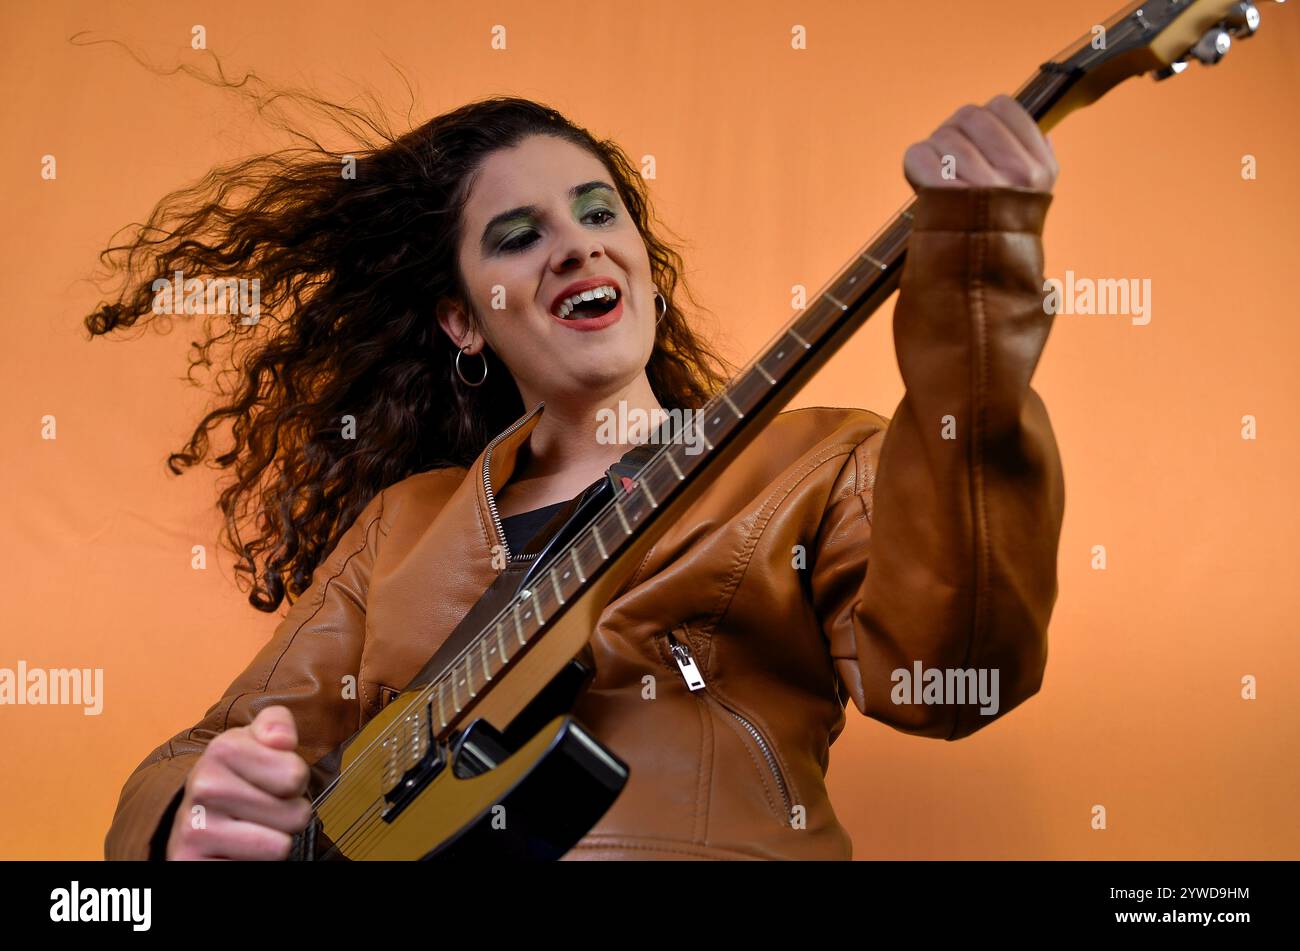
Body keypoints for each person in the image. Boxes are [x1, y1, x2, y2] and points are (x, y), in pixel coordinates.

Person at [97, 92, 1063, 861]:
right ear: (463, 320)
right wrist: (193, 815)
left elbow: (950, 680)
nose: (576, 244)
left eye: (600, 211)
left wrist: (973, 336)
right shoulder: (403, 526)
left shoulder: (810, 461)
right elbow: (205, 750)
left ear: (642, 263)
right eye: (517, 236)